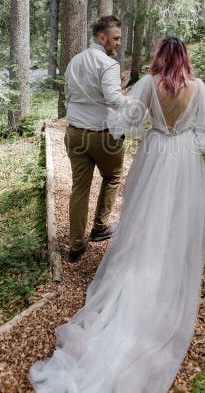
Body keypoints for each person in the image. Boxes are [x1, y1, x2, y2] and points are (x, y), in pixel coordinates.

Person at [30, 36, 205, 392]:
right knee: (178, 215)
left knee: (145, 215)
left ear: (160, 58)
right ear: (185, 59)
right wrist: (188, 140)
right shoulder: (198, 88)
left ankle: (140, 269)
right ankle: (168, 269)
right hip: (184, 160)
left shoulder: (149, 85)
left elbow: (125, 123)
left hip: (155, 153)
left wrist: (151, 127)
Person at [62, 15, 126, 263]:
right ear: (103, 38)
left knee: (79, 187)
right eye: (116, 38)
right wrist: (132, 102)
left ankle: (76, 246)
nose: (118, 43)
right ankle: (99, 227)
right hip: (102, 136)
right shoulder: (108, 65)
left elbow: (69, 95)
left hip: (74, 132)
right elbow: (113, 99)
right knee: (112, 176)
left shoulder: (74, 62)